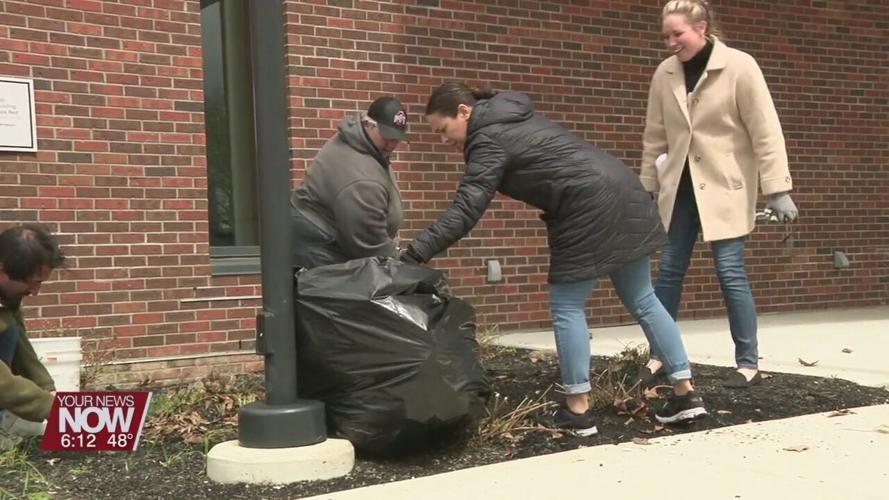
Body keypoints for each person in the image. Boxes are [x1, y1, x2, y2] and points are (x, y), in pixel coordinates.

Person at [400, 82, 708, 430]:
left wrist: (416, 252)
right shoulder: (512, 117)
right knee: (644, 298)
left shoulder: (487, 138)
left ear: (463, 112)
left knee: (567, 306)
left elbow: (466, 209)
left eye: (442, 130)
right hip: (625, 192)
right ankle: (686, 395)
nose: (443, 140)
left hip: (586, 208)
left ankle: (577, 410)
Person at [639, 0, 798, 388]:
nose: (671, 42)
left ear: (701, 27)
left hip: (725, 188)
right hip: (679, 190)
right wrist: (647, 186)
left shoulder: (740, 66)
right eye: (666, 36)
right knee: (669, 271)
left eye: (678, 33)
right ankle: (660, 355)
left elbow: (765, 130)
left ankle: (747, 363)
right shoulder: (665, 73)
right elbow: (655, 136)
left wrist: (777, 189)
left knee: (730, 272)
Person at [290, 96, 408, 269]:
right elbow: (369, 245)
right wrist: (399, 262)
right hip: (320, 252)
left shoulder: (362, 143)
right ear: (368, 125)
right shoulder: (361, 179)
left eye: (396, 139)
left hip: (329, 243)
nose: (391, 145)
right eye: (387, 137)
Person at [0, 223, 65, 425]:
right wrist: (47, 407)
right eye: (33, 281)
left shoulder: (7, 298)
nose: (35, 291)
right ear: (2, 269)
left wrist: (47, 388)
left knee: (10, 328)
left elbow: (21, 345)